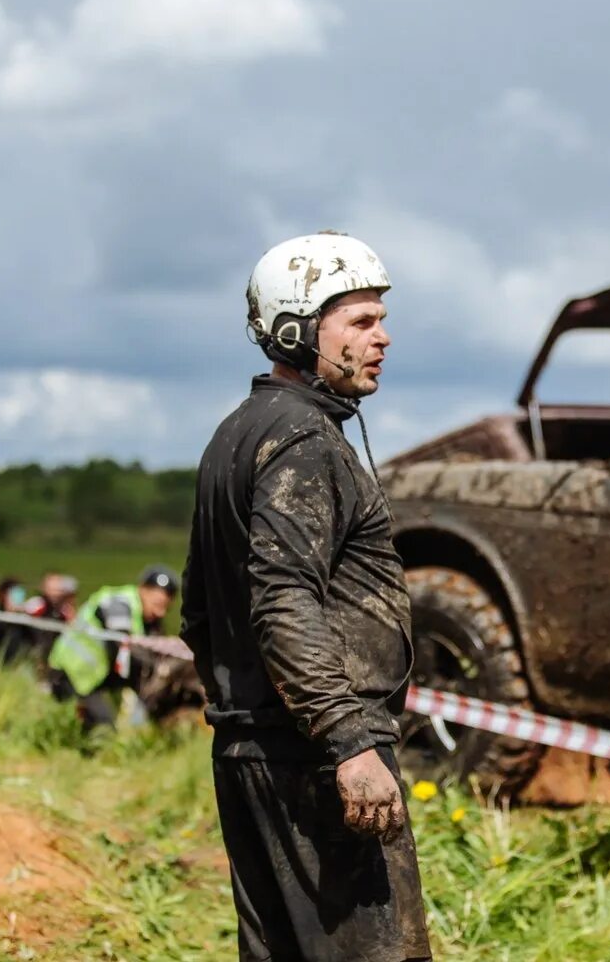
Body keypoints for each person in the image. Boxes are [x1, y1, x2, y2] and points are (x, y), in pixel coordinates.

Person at [182, 233, 430, 961]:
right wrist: (347, 741)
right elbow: (283, 598)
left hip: (257, 750)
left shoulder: (237, 434)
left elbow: (201, 609)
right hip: (317, 759)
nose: (382, 338)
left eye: (381, 319)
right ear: (296, 330)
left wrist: (246, 713)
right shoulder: (304, 443)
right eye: (359, 322)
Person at [47, 565, 178, 728]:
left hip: (93, 677)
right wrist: (161, 668)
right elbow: (125, 647)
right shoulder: (118, 603)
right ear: (143, 589)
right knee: (104, 728)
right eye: (158, 604)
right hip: (70, 672)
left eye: (166, 607)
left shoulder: (146, 617)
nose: (161, 613)